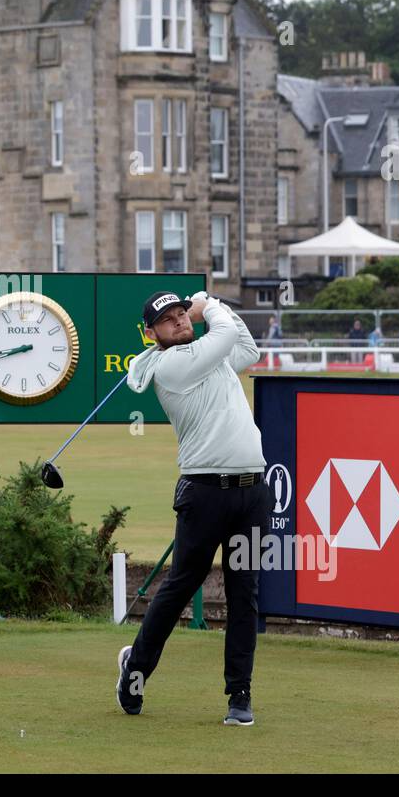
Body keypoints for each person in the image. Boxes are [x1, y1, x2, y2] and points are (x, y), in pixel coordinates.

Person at [117, 290, 270, 727]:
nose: (180, 321)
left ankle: (239, 696)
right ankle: (136, 672)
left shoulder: (211, 356)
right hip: (204, 492)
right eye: (168, 319)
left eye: (183, 314)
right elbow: (222, 334)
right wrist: (210, 304)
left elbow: (247, 347)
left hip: (250, 492)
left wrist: (213, 305)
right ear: (152, 334)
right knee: (181, 587)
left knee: (245, 593)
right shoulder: (170, 366)